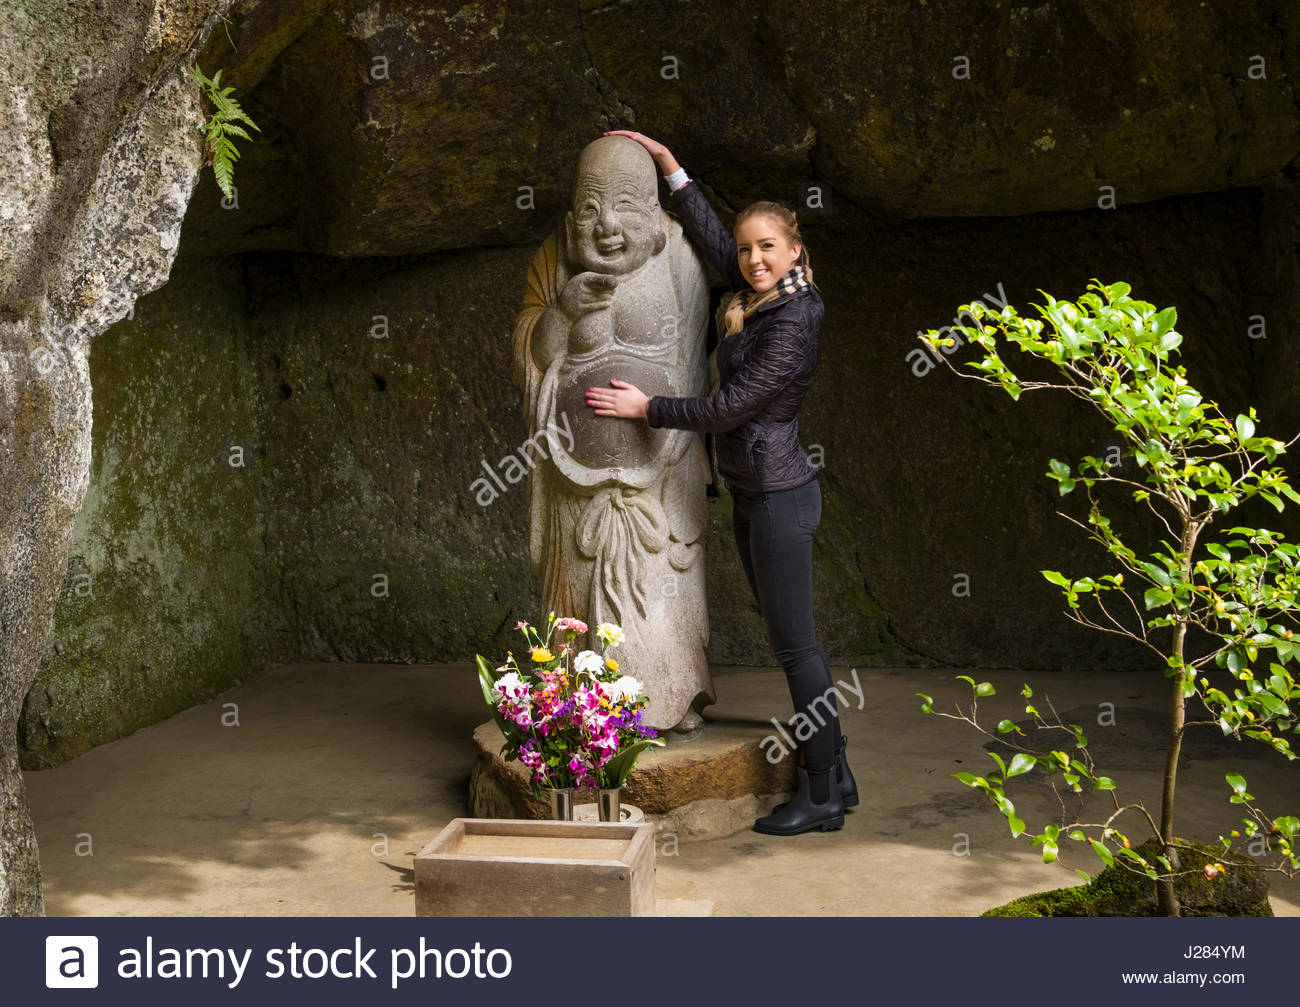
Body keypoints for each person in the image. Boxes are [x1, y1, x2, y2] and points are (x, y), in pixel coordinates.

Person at [584, 130, 857, 836]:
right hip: (752, 494)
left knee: (798, 647)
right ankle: (840, 770)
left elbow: (731, 407)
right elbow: (713, 241)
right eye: (747, 249)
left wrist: (649, 409)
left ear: (795, 250)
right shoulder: (757, 296)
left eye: (769, 246)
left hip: (779, 499)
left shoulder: (794, 318)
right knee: (787, 638)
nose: (754, 258)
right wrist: (675, 168)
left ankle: (823, 789)